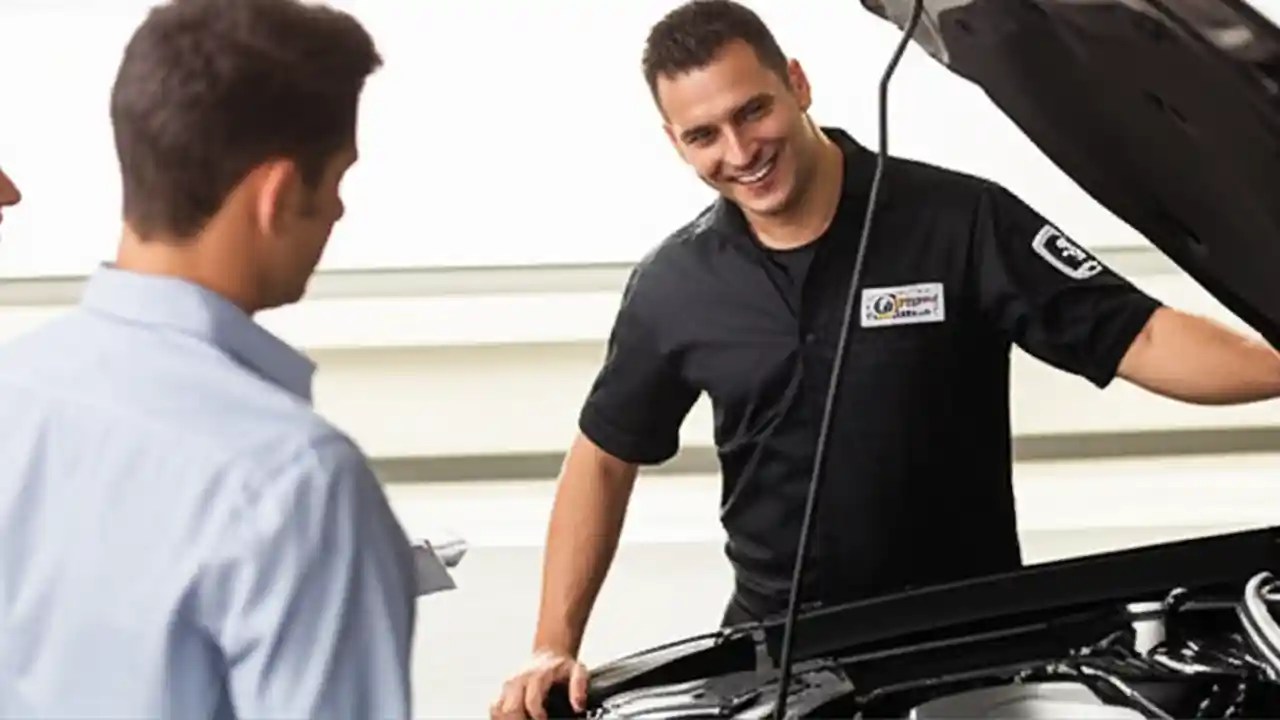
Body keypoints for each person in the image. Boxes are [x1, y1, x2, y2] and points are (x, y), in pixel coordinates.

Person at [491, 1, 1280, 717]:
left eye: (752, 110)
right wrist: (552, 641)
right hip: (782, 664)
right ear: (675, 143)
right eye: (704, 135)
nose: (739, 151)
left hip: (971, 652)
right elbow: (601, 458)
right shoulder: (674, 285)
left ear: (796, 84)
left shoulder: (962, 220)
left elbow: (1140, 336)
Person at [0, 1, 423, 718]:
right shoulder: (295, 481)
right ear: (279, 194)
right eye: (338, 180)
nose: (340, 213)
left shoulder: (15, 392)